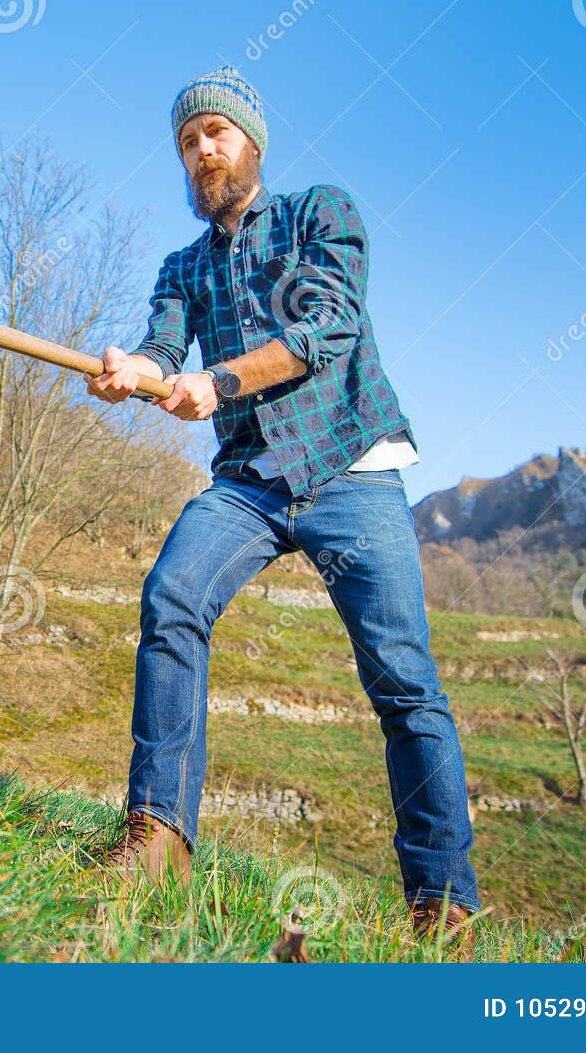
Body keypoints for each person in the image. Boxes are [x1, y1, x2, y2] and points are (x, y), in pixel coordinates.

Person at [84, 66, 481, 954]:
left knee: (404, 682)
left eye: (215, 133)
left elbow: (324, 330)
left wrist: (214, 381)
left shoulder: (318, 214)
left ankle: (445, 902)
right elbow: (160, 348)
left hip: (350, 463)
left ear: (252, 142)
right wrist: (134, 372)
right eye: (188, 142)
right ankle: (159, 839)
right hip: (251, 481)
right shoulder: (181, 265)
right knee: (172, 598)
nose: (201, 151)